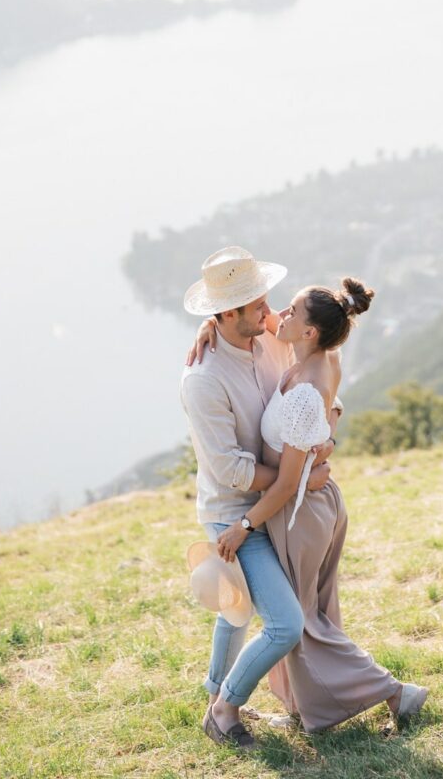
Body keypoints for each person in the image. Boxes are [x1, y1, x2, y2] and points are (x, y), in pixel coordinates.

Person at [210, 277, 429, 733]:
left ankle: (395, 693)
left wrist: (244, 526)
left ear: (309, 331)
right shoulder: (324, 353)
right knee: (315, 612)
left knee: (306, 621)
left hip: (299, 515)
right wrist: (210, 327)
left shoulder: (306, 391)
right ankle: (306, 708)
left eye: (290, 312)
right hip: (315, 505)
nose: (279, 317)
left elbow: (289, 484)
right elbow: (256, 323)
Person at [180, 247, 338, 750]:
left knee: (241, 610)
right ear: (227, 314)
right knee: (284, 623)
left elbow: (322, 364)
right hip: (234, 511)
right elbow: (229, 469)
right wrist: (295, 478)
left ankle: (215, 695)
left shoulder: (268, 336)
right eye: (257, 306)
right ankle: (224, 710)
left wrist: (327, 431)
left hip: (278, 501)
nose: (270, 312)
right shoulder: (203, 380)